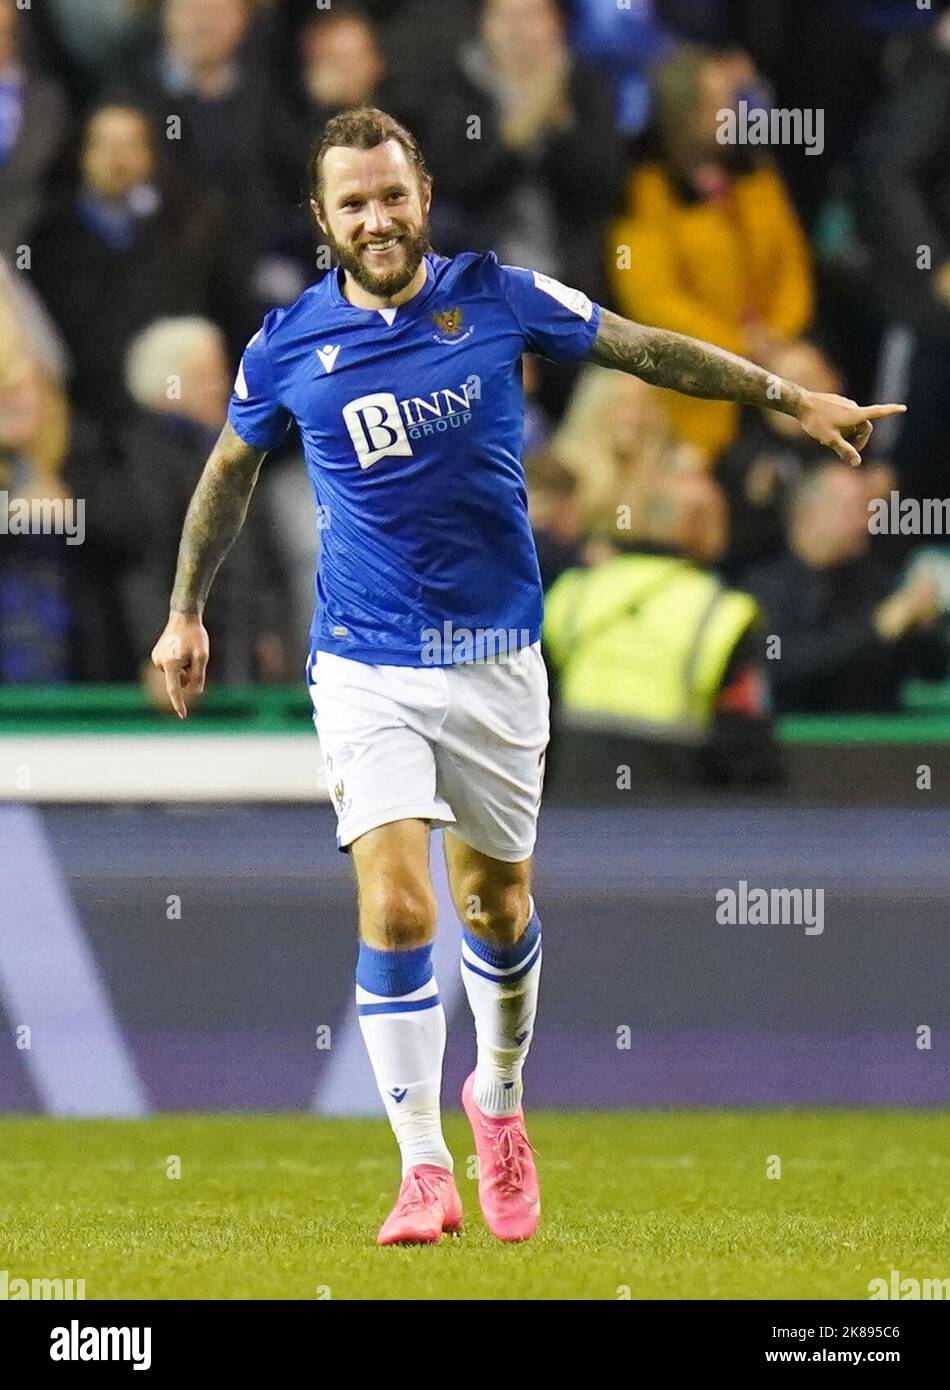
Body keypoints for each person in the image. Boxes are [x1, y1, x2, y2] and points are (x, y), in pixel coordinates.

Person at [149, 106, 903, 1247]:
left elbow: (640, 345)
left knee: (494, 906)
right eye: (351, 203)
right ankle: (419, 1169)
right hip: (365, 663)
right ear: (322, 220)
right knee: (397, 903)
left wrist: (783, 397)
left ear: (422, 193)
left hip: (496, 661)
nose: (376, 218)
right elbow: (227, 474)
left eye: (390, 196)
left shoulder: (495, 296)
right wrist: (183, 612)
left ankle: (495, 1100)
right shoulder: (285, 346)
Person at [745, 463, 947, 713]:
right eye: (852, 509)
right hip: (798, 743)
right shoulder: (765, 589)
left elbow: (933, 672)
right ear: (809, 514)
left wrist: (922, 628)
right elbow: (780, 666)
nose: (866, 521)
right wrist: (875, 631)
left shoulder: (875, 584)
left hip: (881, 742)